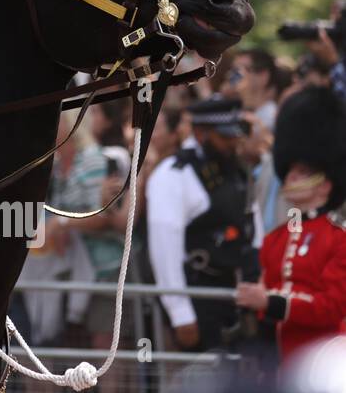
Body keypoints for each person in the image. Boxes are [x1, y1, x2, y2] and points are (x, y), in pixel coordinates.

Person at [235, 86, 346, 363]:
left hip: (327, 358)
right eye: (291, 170)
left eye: (303, 172)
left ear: (325, 183)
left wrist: (270, 302)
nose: (291, 178)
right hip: (284, 356)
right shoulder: (277, 238)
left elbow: (331, 306)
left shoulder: (338, 238)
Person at [146, 95, 261, 351]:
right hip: (199, 296)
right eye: (225, 137)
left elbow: (253, 227)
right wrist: (180, 314)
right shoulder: (173, 175)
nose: (234, 143)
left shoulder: (237, 169)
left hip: (240, 295)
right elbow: (165, 250)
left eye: (235, 135)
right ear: (201, 133)